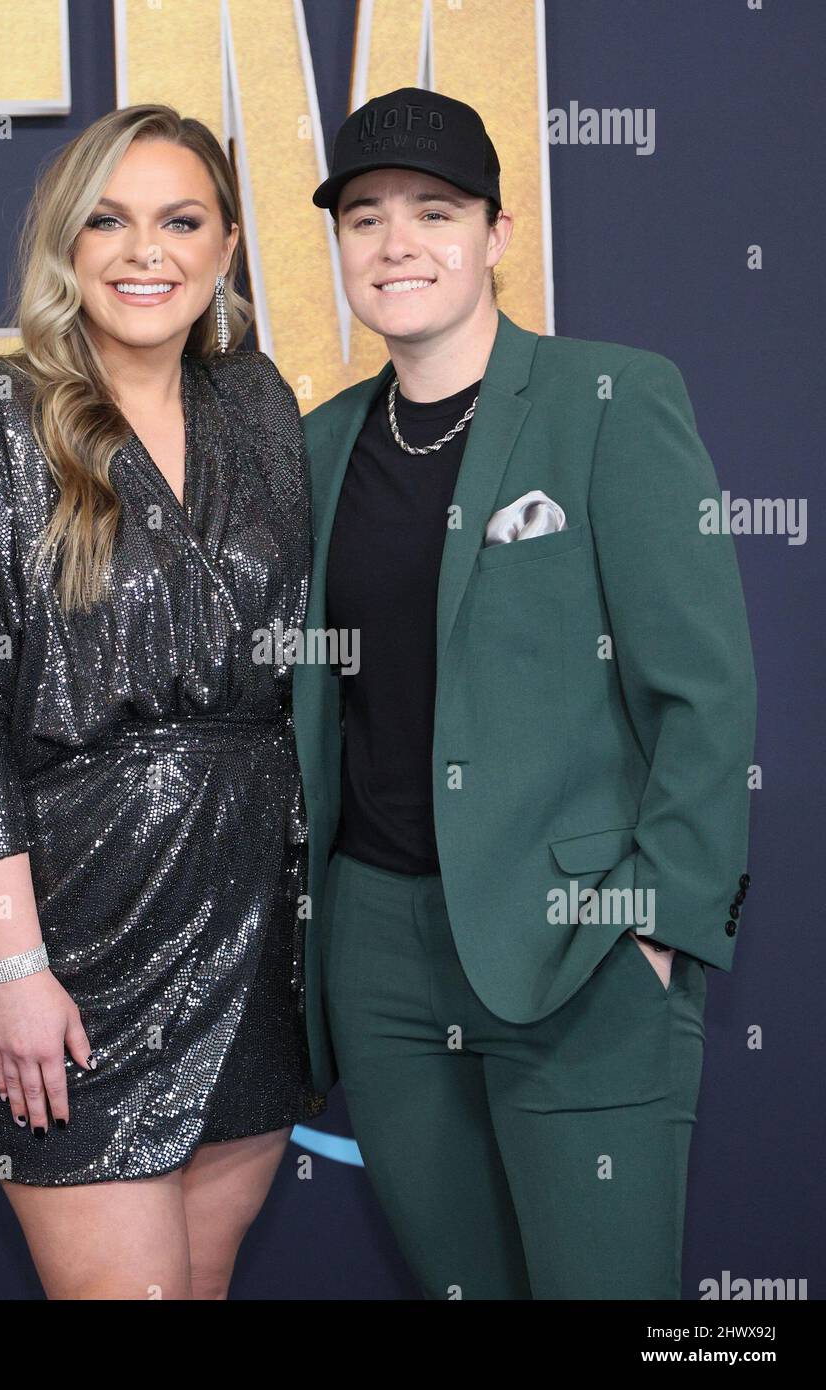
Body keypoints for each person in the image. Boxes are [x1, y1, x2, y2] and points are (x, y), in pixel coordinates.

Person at [293, 87, 757, 1299]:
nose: (396, 242)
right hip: (379, 955)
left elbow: (702, 692)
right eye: (363, 217)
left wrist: (653, 927)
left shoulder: (610, 399)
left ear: (497, 234)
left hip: (578, 946)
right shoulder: (318, 443)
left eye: (433, 211)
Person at [0, 103, 324, 1301]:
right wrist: (14, 967)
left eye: (181, 221)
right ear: (66, 248)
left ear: (227, 246)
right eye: (110, 222)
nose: (146, 252)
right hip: (77, 936)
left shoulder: (259, 408)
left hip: (251, 927)